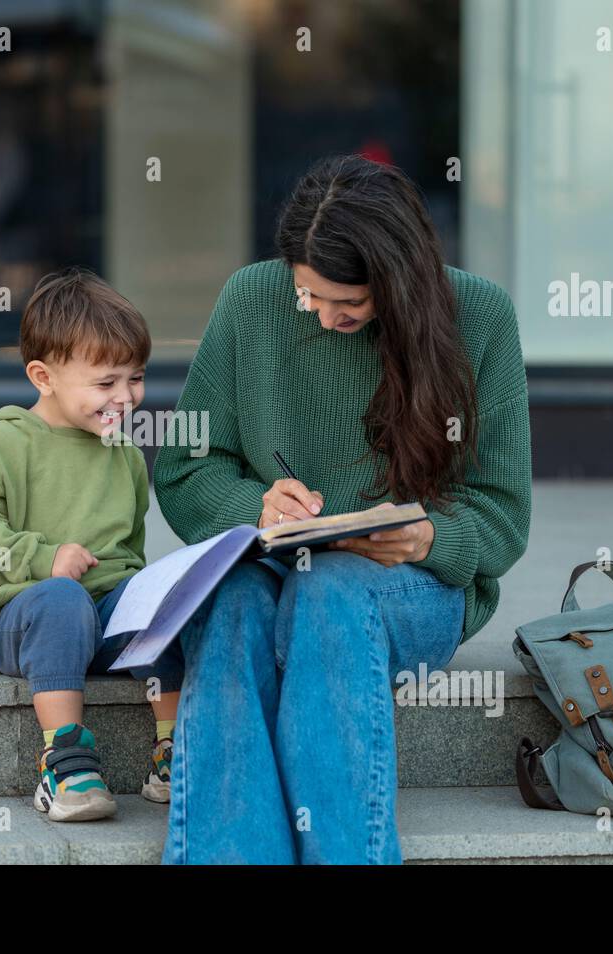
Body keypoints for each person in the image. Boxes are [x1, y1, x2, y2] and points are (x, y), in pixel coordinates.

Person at [152, 155, 532, 863]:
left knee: (327, 593)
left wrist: (426, 537)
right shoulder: (250, 301)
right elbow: (186, 466)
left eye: (346, 304)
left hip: (412, 591)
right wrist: (254, 505)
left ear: (397, 282)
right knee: (230, 603)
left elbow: (503, 517)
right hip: (271, 569)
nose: (325, 317)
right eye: (308, 296)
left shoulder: (481, 318)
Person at [0, 267, 182, 822]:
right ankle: (65, 759)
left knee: (170, 595)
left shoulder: (122, 452)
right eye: (106, 383)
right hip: (19, 614)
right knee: (62, 598)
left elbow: (129, 551)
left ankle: (171, 749)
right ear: (43, 376)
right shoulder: (3, 442)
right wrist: (44, 558)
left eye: (136, 379)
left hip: (98, 617)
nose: (125, 397)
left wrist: (145, 593)